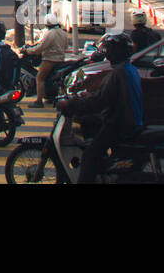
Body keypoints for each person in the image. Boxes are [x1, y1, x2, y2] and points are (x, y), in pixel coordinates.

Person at [60, 32, 143, 184]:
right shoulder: (128, 69)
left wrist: (72, 104)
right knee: (88, 122)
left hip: (120, 124)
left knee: (90, 155)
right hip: (126, 118)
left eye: (109, 50)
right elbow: (104, 96)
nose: (107, 53)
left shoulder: (118, 74)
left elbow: (99, 101)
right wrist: (88, 96)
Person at [22, 13, 67, 107]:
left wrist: (28, 51)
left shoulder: (50, 33)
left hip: (50, 60)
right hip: (61, 59)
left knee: (39, 78)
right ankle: (50, 96)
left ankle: (39, 101)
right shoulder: (63, 33)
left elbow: (40, 47)